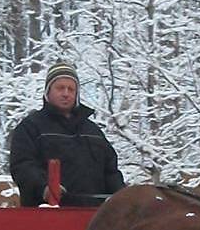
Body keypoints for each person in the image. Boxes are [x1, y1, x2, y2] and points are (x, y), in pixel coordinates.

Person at [9, 61, 125, 206]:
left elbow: (111, 170)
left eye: (71, 89)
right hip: (47, 214)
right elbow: (22, 165)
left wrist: (121, 197)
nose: (66, 93)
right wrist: (44, 187)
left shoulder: (93, 131)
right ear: (47, 91)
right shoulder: (31, 127)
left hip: (94, 217)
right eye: (60, 88)